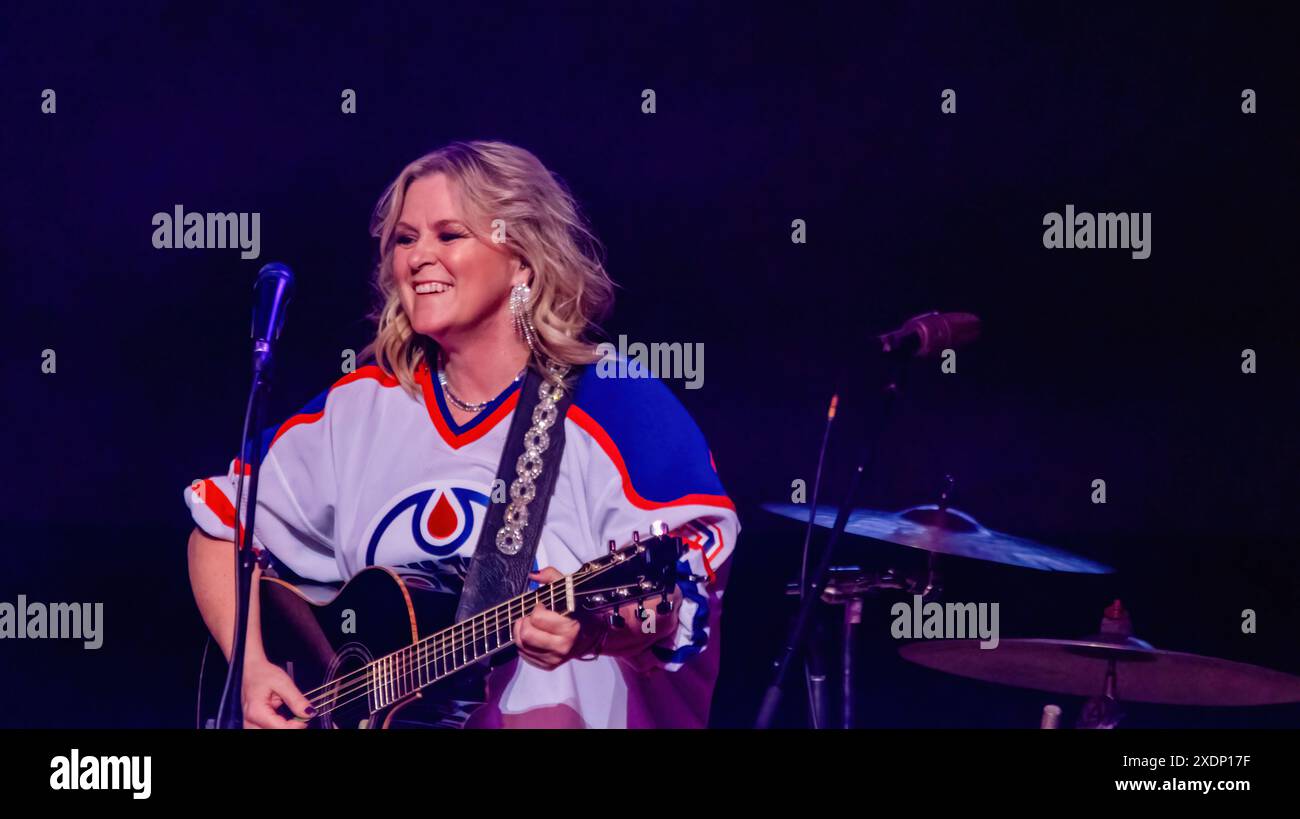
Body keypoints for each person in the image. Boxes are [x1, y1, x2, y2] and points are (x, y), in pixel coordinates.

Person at [184, 140, 739, 728]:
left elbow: (682, 589)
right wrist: (253, 672)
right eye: (404, 238)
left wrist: (596, 631)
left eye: (449, 235)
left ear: (523, 257)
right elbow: (219, 524)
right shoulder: (363, 406)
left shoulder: (614, 398)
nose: (418, 257)